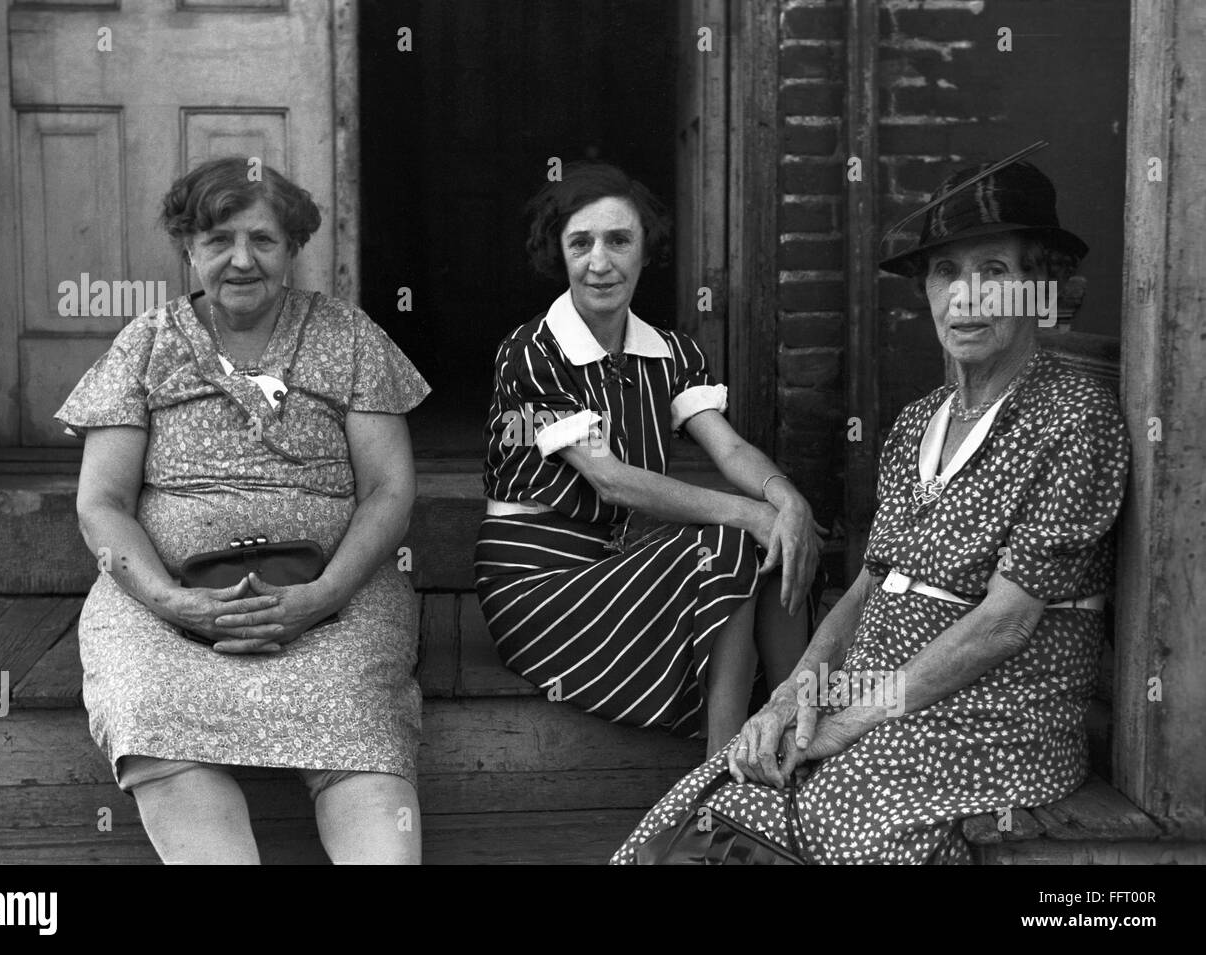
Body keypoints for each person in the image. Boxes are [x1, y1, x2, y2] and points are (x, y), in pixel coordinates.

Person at [612, 154, 1131, 864]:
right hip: (876, 697)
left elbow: (1004, 623)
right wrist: (795, 693)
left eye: (995, 272)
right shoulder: (917, 422)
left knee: (831, 821)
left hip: (990, 718)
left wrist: (850, 719)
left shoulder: (1074, 419)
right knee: (715, 802)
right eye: (946, 272)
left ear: (1039, 289)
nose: (965, 296)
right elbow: (866, 587)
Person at [56, 157, 430, 864]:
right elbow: (101, 503)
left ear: (292, 250)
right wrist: (172, 602)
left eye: (263, 239)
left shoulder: (348, 337)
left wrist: (321, 596)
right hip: (164, 603)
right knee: (154, 705)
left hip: (336, 596)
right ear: (188, 248)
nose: (240, 259)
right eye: (218, 238)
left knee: (357, 713)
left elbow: (390, 491)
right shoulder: (146, 343)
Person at [474, 162, 823, 757]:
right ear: (558, 253)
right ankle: (723, 771)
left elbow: (729, 447)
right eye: (580, 243)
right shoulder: (532, 352)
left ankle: (789, 741)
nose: (600, 262)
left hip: (622, 572)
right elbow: (609, 481)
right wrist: (748, 513)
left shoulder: (670, 352)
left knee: (775, 538)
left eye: (619, 240)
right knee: (734, 540)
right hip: (540, 589)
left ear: (644, 250)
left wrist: (787, 503)